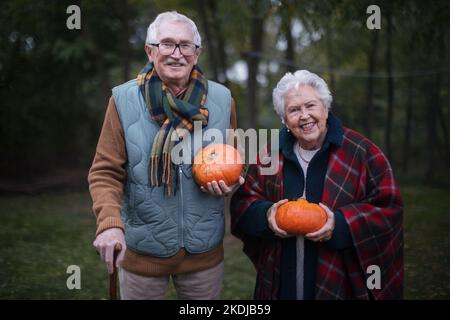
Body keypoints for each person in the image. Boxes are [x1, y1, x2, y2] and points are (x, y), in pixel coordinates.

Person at [88, 11, 243, 300]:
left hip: (204, 256)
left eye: (185, 45)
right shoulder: (122, 100)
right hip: (142, 255)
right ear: (150, 51)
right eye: (167, 44)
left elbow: (230, 159)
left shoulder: (223, 100)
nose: (176, 53)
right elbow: (105, 172)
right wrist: (109, 224)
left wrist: (232, 182)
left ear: (196, 54)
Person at [230, 70, 403, 300]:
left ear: (326, 107)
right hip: (280, 280)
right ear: (284, 119)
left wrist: (340, 224)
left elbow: (389, 211)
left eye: (310, 105)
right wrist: (267, 215)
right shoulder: (269, 155)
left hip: (339, 279)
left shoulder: (361, 152)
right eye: (294, 110)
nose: (304, 116)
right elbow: (242, 205)